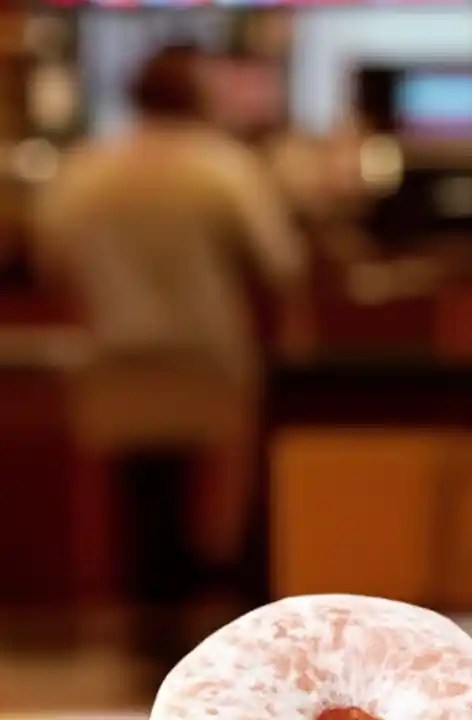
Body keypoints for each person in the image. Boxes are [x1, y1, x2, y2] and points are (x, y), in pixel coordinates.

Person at [33, 44, 310, 635]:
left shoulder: (87, 168)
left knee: (138, 505)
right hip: (209, 358)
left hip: (116, 357)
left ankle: (146, 635)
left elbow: (49, 254)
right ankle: (221, 636)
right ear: (197, 96)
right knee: (225, 513)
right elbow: (279, 264)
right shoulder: (222, 167)